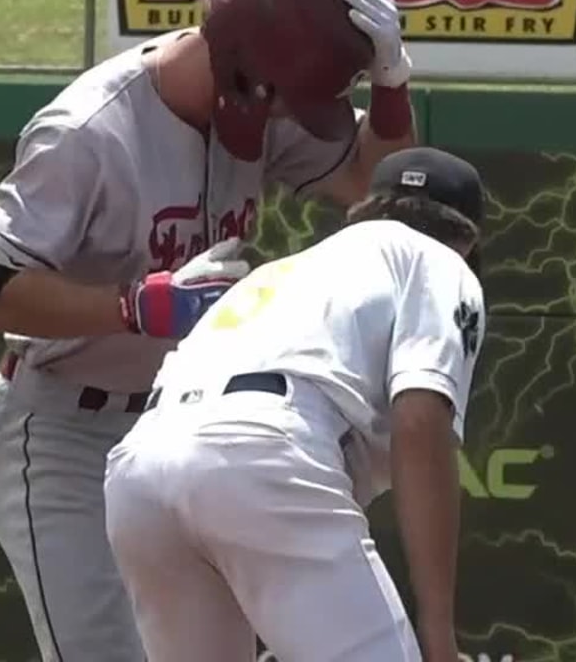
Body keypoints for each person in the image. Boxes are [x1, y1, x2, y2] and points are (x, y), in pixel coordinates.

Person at [0, 0, 420, 661]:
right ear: (245, 75)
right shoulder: (88, 131)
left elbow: (376, 192)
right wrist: (134, 307)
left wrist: (391, 81)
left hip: (179, 426)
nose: (293, 117)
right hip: (65, 429)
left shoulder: (260, 98)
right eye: (289, 100)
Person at [104, 146, 488, 662]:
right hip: (259, 452)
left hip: (141, 470)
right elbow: (421, 423)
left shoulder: (279, 272)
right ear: (467, 238)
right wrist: (437, 629)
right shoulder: (437, 260)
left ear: (366, 209)